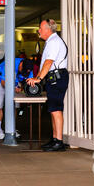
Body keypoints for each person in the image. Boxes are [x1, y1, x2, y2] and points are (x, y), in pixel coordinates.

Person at [27, 19, 69, 152]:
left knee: (56, 108)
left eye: (40, 28)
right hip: (54, 77)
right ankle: (55, 139)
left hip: (57, 77)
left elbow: (48, 62)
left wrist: (38, 78)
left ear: (48, 29)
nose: (38, 30)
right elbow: (45, 63)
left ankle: (59, 142)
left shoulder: (54, 42)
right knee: (52, 108)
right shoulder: (51, 41)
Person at [0, 57, 33, 139]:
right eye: (22, 71)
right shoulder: (11, 64)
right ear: (20, 65)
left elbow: (29, 82)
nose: (23, 73)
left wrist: (22, 88)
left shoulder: (29, 68)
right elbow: (3, 83)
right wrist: (14, 87)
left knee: (15, 105)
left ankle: (11, 128)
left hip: (13, 83)